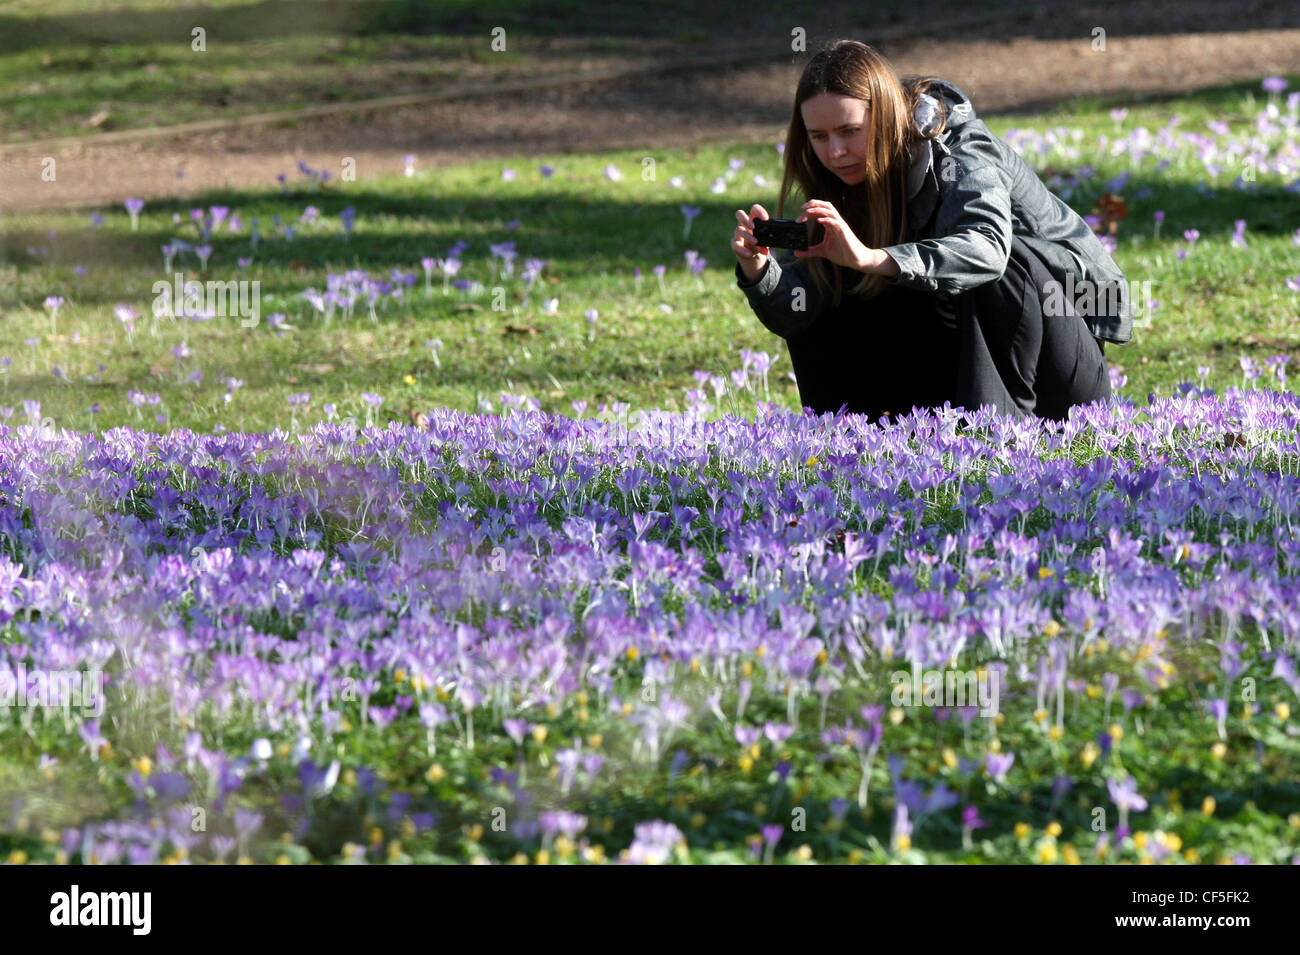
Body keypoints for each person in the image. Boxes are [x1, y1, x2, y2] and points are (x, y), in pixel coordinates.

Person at [731, 39, 1134, 424]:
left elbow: (988, 249)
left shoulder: (959, 150)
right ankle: (854, 443)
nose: (834, 152)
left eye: (849, 131)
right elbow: (797, 314)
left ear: (886, 116)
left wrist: (873, 258)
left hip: (1061, 369)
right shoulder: (833, 179)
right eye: (819, 136)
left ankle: (992, 441)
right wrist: (760, 273)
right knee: (830, 272)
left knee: (1004, 264)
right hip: (948, 373)